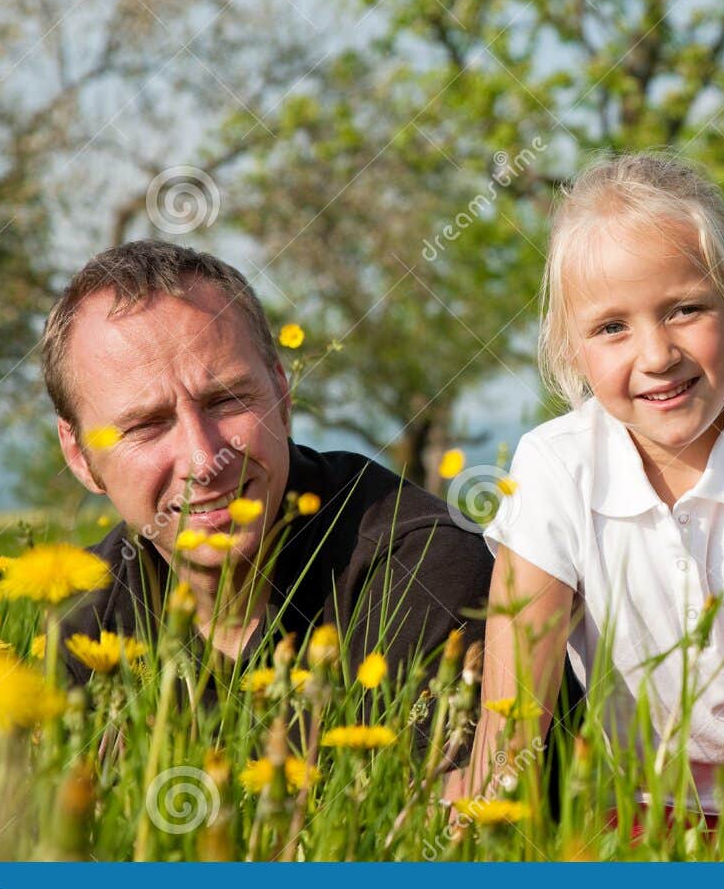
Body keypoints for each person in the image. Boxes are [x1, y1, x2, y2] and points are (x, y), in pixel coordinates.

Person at [453, 153, 724, 817]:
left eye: (686, 308)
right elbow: (513, 720)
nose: (656, 354)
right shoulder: (556, 467)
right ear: (569, 349)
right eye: (612, 327)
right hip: (630, 814)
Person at [42, 240, 492, 695]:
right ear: (79, 455)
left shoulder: (421, 568)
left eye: (226, 400)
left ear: (281, 393)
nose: (203, 460)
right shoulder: (78, 614)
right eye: (145, 425)